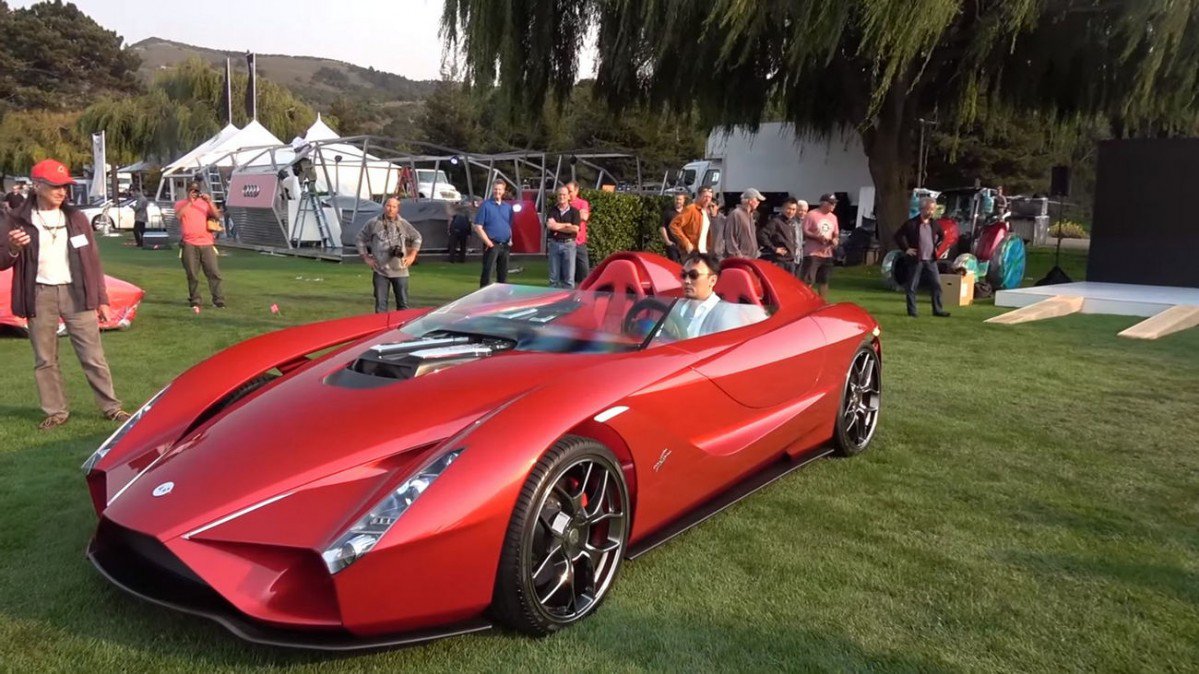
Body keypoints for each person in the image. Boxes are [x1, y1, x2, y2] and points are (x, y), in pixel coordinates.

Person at [1, 159, 129, 430]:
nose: (62, 192)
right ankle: (56, 411)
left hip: (77, 294)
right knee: (45, 359)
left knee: (93, 356)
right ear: (37, 186)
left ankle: (111, 407)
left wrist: (102, 299)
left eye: (65, 186)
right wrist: (13, 248)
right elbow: (2, 261)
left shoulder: (77, 218)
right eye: (55, 186)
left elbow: (92, 261)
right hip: (39, 295)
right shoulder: (16, 219)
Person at [675, 252, 766, 338]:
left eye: (693, 275)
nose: (686, 281)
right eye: (683, 275)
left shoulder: (726, 314)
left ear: (712, 280)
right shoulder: (676, 305)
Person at [356, 197, 422, 312]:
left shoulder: (403, 223)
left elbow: (417, 237)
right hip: (380, 270)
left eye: (394, 207)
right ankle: (382, 324)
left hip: (400, 270)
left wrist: (412, 255)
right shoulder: (374, 223)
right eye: (388, 206)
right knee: (381, 306)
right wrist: (366, 257)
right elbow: (359, 239)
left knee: (403, 305)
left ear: (398, 209)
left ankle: (401, 324)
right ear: (384, 207)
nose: (391, 209)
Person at [894, 196, 950, 318]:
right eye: (929, 209)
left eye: (933, 209)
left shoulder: (934, 223)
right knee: (912, 286)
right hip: (916, 260)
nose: (931, 212)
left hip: (931, 260)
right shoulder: (912, 224)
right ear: (922, 209)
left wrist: (936, 246)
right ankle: (912, 311)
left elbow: (942, 236)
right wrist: (906, 249)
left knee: (936, 285)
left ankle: (938, 310)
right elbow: (898, 236)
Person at [173, 180, 225, 308]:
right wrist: (190, 202)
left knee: (213, 272)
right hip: (189, 243)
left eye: (196, 191)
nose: (194, 193)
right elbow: (178, 216)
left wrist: (209, 201)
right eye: (192, 190)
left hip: (206, 243)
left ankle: (218, 299)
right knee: (192, 273)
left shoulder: (204, 203)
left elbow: (217, 216)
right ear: (187, 191)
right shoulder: (181, 204)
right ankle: (195, 299)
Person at [473, 179, 514, 287]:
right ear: (492, 190)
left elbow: (508, 225)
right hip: (492, 245)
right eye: (495, 189)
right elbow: (478, 227)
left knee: (503, 275)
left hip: (505, 245)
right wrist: (488, 243)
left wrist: (510, 239)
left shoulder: (507, 207)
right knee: (487, 274)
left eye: (500, 189)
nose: (497, 192)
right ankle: (484, 296)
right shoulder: (485, 205)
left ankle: (502, 297)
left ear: (503, 191)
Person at [800, 193, 840, 297]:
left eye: (834, 203)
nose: (833, 206)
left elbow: (836, 234)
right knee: (808, 279)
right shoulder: (811, 214)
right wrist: (816, 237)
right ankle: (804, 299)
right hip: (812, 253)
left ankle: (822, 302)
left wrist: (835, 240)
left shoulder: (833, 217)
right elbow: (804, 231)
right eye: (831, 203)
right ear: (823, 203)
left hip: (827, 253)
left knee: (824, 280)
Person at [546, 185, 580, 288]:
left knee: (569, 277)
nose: (562, 197)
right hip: (554, 244)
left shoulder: (575, 212)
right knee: (553, 277)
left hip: (569, 245)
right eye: (560, 194)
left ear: (569, 196)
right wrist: (567, 225)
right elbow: (550, 226)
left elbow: (575, 229)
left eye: (564, 195)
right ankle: (553, 297)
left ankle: (568, 297)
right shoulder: (552, 211)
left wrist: (557, 226)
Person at [757, 197, 801, 274]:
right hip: (780, 261)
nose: (791, 212)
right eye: (788, 208)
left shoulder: (792, 223)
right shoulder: (775, 222)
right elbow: (762, 235)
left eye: (793, 209)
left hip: (791, 261)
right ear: (783, 208)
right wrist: (774, 248)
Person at [668, 186, 714, 255]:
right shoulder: (691, 209)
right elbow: (674, 225)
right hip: (691, 252)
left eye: (710, 197)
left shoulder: (707, 212)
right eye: (705, 197)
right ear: (699, 196)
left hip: (703, 252)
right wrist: (686, 242)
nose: (707, 200)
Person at [724, 188, 762, 259]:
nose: (758, 203)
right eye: (757, 200)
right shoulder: (736, 214)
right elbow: (730, 237)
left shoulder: (750, 215)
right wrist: (738, 255)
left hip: (750, 258)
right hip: (740, 259)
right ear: (750, 201)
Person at [568, 181, 591, 284]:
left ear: (576, 191)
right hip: (567, 242)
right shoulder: (563, 204)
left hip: (579, 242)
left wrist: (569, 217)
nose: (568, 194)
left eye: (570, 191)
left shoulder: (582, 203)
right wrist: (578, 215)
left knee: (584, 271)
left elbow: (585, 217)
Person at [660, 193, 687, 262]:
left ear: (684, 200)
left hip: (684, 245)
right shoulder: (668, 212)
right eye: (677, 199)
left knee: (685, 265)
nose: (678, 201)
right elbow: (663, 227)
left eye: (680, 199)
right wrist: (667, 241)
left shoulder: (687, 212)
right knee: (673, 264)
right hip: (672, 244)